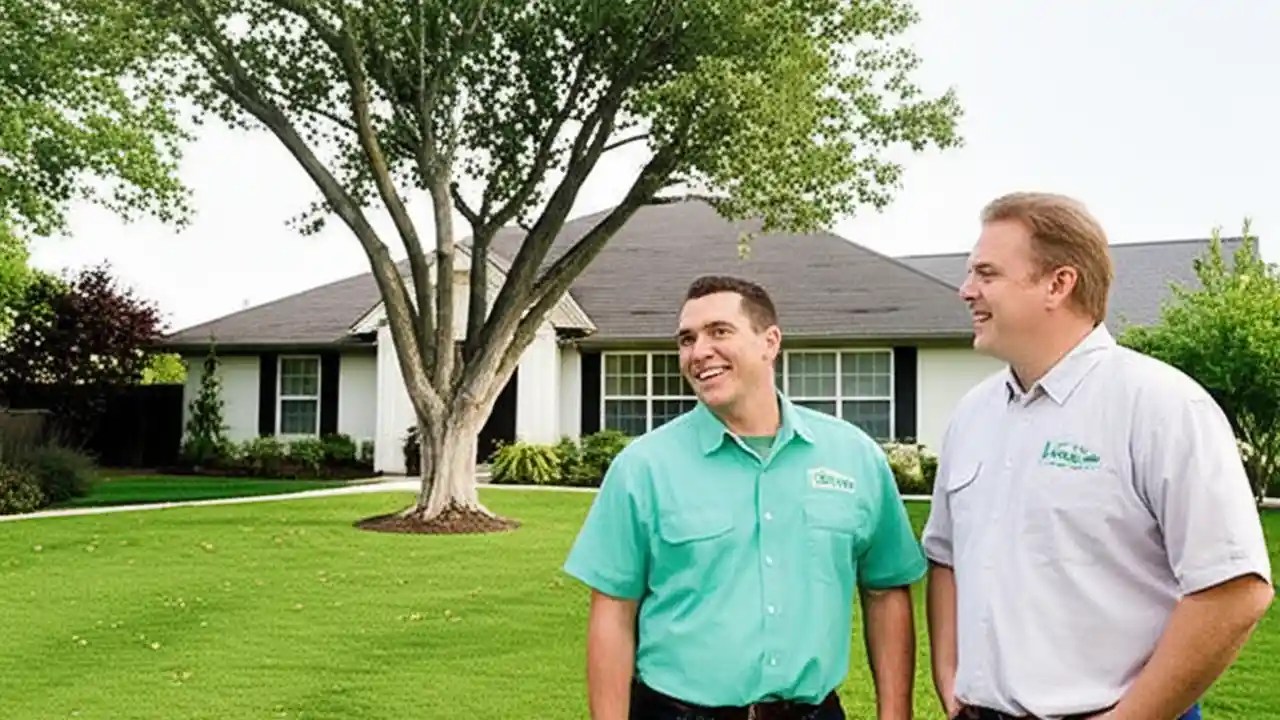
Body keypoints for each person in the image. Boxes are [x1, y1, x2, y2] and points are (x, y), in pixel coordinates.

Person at [921, 192, 1274, 720]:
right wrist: (950, 682)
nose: (966, 290)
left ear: (1058, 284)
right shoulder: (972, 415)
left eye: (987, 274)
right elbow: (945, 556)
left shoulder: (1162, 406)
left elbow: (1234, 589)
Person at [562, 275, 927, 720]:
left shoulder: (854, 456)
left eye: (719, 332)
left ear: (769, 342)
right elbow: (613, 615)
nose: (699, 352)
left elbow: (886, 590)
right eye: (687, 339)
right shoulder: (643, 468)